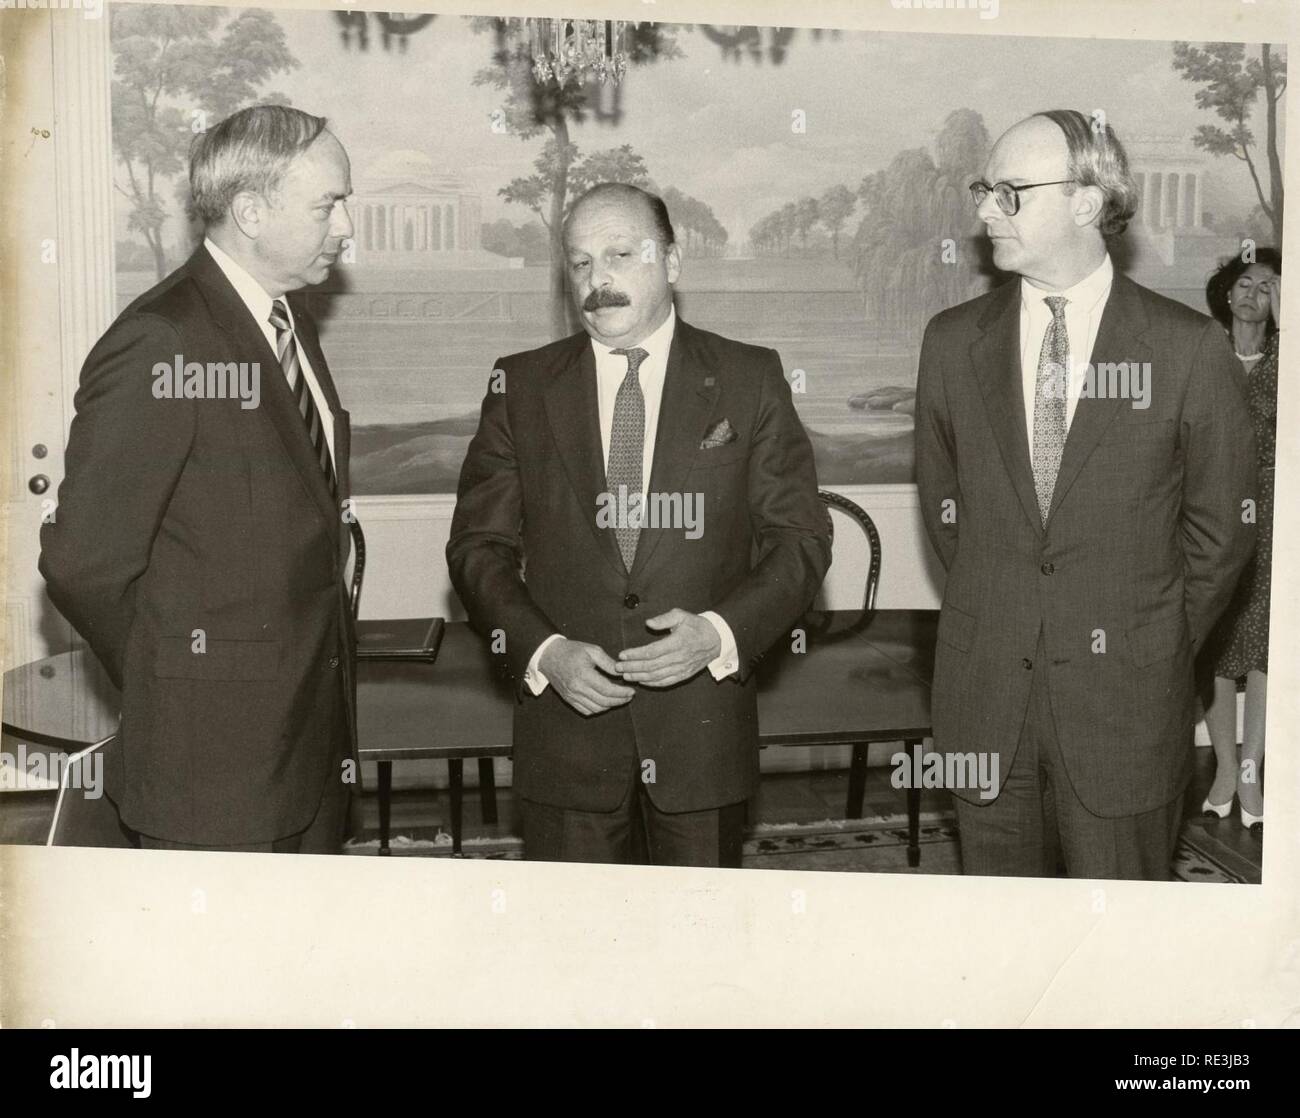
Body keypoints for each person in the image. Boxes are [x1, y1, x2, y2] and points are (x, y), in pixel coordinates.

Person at [915, 109, 1257, 879]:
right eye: (983, 189)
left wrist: (1149, 644)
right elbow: (950, 521)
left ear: (1086, 201)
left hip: (1126, 713)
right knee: (1003, 962)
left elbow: (1222, 537)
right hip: (985, 704)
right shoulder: (950, 343)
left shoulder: (1186, 348)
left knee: (1116, 967)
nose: (982, 210)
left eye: (1008, 192)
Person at [447, 182, 830, 867]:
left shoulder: (750, 378)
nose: (599, 281)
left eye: (622, 255)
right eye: (581, 262)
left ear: (672, 263)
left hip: (700, 735)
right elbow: (478, 549)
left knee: (699, 947)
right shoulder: (520, 386)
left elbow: (800, 542)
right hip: (567, 736)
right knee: (574, 953)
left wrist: (718, 635)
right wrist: (543, 652)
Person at [39, 105, 358, 853]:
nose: (345, 228)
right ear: (251, 211)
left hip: (310, 752)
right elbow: (84, 563)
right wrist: (177, 675)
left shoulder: (287, 321)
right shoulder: (162, 339)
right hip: (212, 773)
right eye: (327, 205)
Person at [1199, 249, 1280, 834]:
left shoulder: (1292, 362)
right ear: (1227, 295)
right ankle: (1224, 767)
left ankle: (1253, 766)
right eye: (1246, 283)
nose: (1255, 292)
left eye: (1269, 286)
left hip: (1279, 515)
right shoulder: (1201, 355)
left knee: (1267, 645)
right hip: (1212, 513)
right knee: (1217, 640)